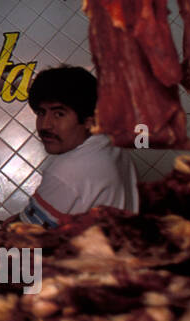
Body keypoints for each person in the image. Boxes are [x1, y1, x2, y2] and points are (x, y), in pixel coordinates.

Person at [19, 65, 138, 225]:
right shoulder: (110, 148)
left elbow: (22, 242)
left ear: (89, 120)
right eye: (41, 113)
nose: (45, 125)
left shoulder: (67, 171)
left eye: (59, 114)